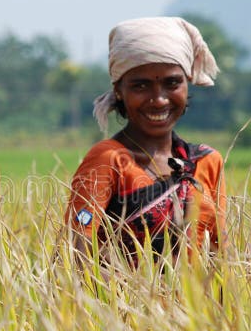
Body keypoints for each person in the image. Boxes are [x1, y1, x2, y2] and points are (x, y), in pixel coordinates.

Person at [66, 17, 227, 269]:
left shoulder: (206, 161)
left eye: (172, 83)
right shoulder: (109, 160)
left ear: (187, 83)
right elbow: (74, 254)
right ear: (119, 90)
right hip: (126, 305)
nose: (159, 99)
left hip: (198, 307)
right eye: (141, 86)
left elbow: (218, 249)